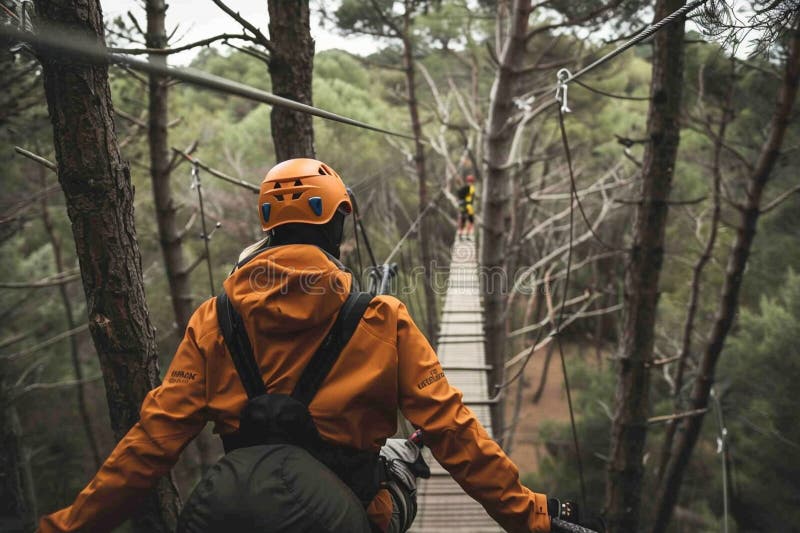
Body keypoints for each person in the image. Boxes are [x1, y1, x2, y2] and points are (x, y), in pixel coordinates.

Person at [38, 158, 553, 533]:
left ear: (270, 228)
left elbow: (151, 443)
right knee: (397, 473)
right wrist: (532, 517)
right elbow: (451, 430)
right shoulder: (380, 317)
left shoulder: (214, 319)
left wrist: (66, 527)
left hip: (227, 511)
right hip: (340, 513)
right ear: (338, 223)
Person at [457, 174, 476, 240]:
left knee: (468, 221)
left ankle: (464, 234)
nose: (471, 183)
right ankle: (463, 234)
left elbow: (459, 195)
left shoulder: (465, 188)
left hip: (465, 206)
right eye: (470, 181)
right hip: (467, 206)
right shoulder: (470, 188)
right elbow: (470, 198)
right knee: (466, 220)